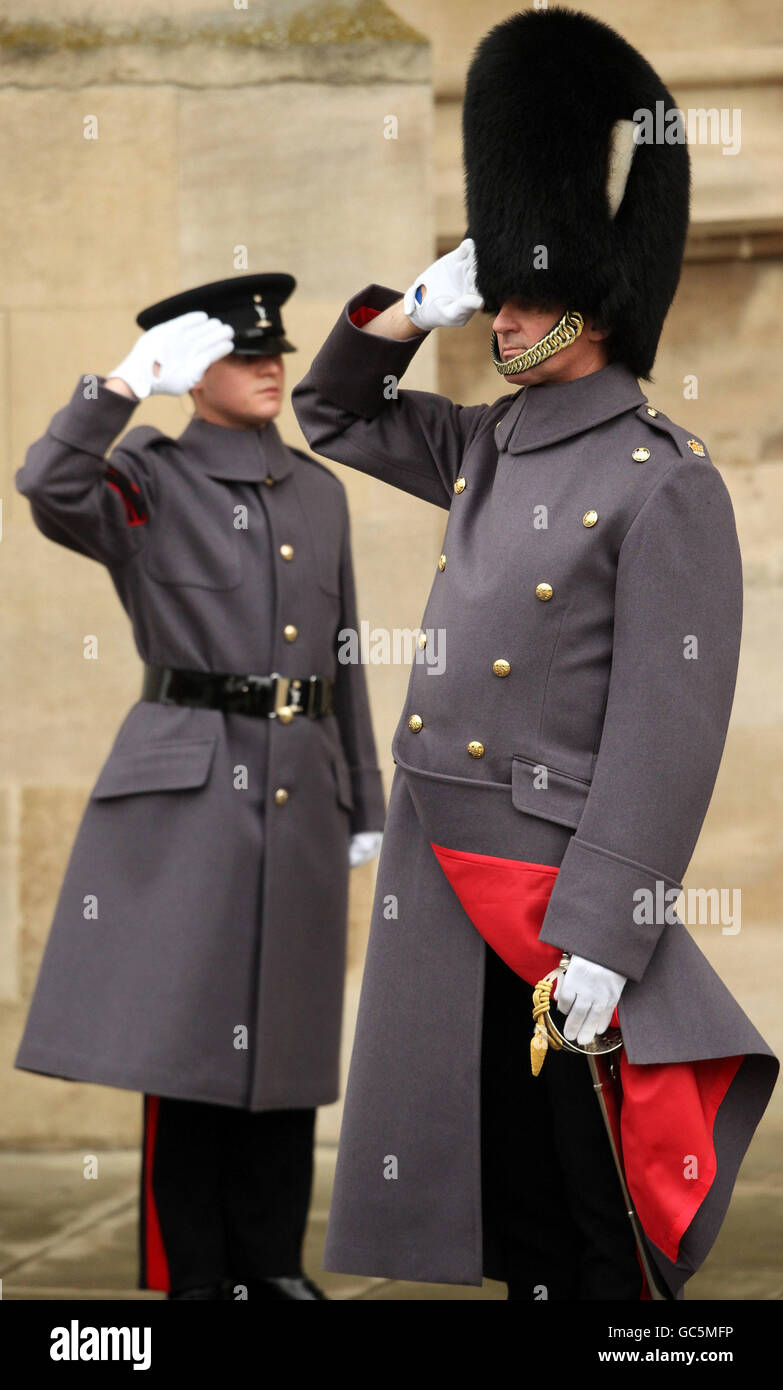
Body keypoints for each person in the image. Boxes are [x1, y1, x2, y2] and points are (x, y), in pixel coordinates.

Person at [291, 9, 778, 1300]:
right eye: (493, 294)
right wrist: (408, 305)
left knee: (591, 1220)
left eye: (524, 296)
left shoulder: (657, 481)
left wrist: (606, 935)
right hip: (442, 886)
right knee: (502, 1215)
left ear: (591, 306)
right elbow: (332, 409)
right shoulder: (486, 442)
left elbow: (662, 732)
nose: (500, 319)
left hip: (545, 902)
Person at [14, 273, 385, 1300]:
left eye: (275, 352)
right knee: (191, 1049)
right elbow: (47, 485)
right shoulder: (145, 474)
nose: (270, 366)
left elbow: (343, 653)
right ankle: (196, 1275)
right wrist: (121, 385)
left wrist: (364, 794)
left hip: (303, 784)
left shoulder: (319, 490)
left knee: (289, 1041)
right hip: (190, 789)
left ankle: (271, 1264)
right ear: (192, 374)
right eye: (240, 355)